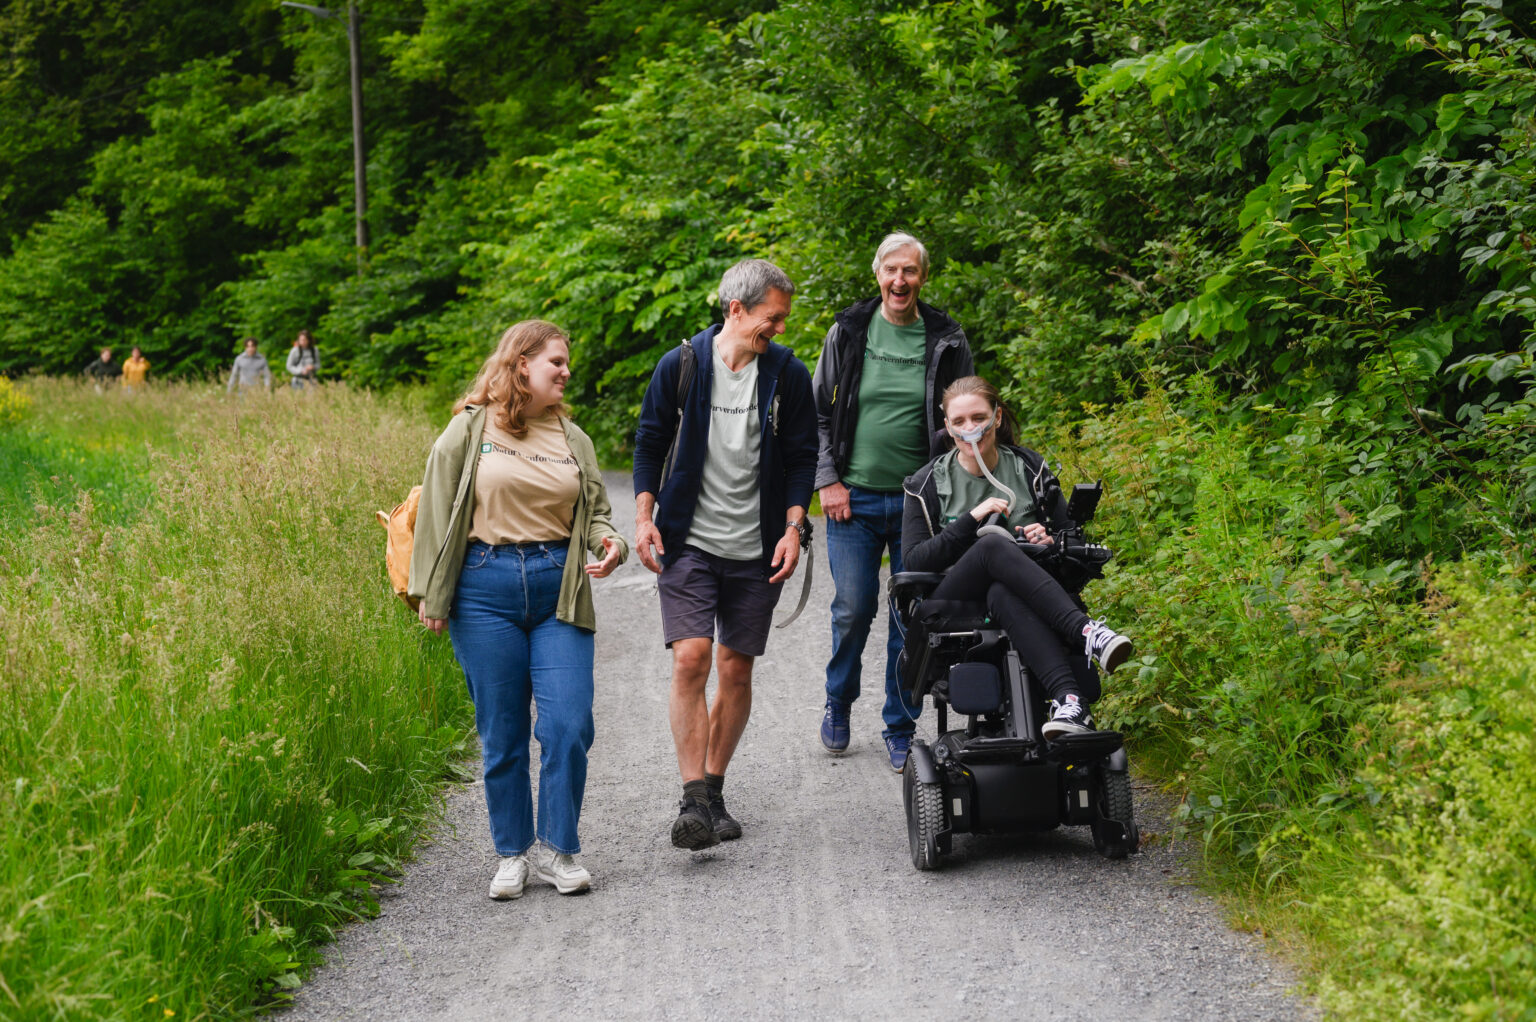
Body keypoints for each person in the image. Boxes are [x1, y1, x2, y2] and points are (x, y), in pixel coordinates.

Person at [409, 320, 627, 899]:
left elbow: (597, 511)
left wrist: (611, 542)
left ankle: (560, 849)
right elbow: (435, 512)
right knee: (501, 732)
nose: (566, 371)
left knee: (568, 724)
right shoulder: (467, 430)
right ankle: (511, 853)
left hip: (560, 587)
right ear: (521, 363)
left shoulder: (572, 436)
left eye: (566, 362)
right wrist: (431, 591)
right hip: (483, 590)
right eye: (556, 360)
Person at [632, 258, 817, 850]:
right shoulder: (682, 365)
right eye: (774, 317)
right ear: (736, 309)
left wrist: (794, 528)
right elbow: (650, 440)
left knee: (736, 668)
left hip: (757, 547)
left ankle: (713, 791)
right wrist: (643, 518)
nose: (780, 329)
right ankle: (691, 802)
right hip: (689, 539)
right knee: (691, 658)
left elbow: (801, 455)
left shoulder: (786, 373)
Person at [812, 232, 974, 771]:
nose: (899, 281)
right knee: (853, 610)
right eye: (891, 271)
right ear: (877, 274)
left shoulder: (946, 338)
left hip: (919, 506)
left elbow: (967, 418)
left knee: (911, 616)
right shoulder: (850, 330)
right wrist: (828, 480)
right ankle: (839, 699)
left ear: (921, 277)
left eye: (910, 271)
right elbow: (816, 413)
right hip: (850, 500)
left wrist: (956, 491)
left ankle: (899, 724)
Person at [901, 376, 1133, 739]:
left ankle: (1070, 701)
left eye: (978, 417)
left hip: (1019, 593)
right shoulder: (926, 482)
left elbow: (1069, 537)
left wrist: (1048, 539)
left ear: (997, 417)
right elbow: (914, 561)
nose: (970, 429)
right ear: (947, 427)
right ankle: (1088, 631)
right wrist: (972, 520)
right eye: (959, 421)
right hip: (956, 599)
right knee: (992, 544)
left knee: (1002, 591)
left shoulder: (1029, 467)